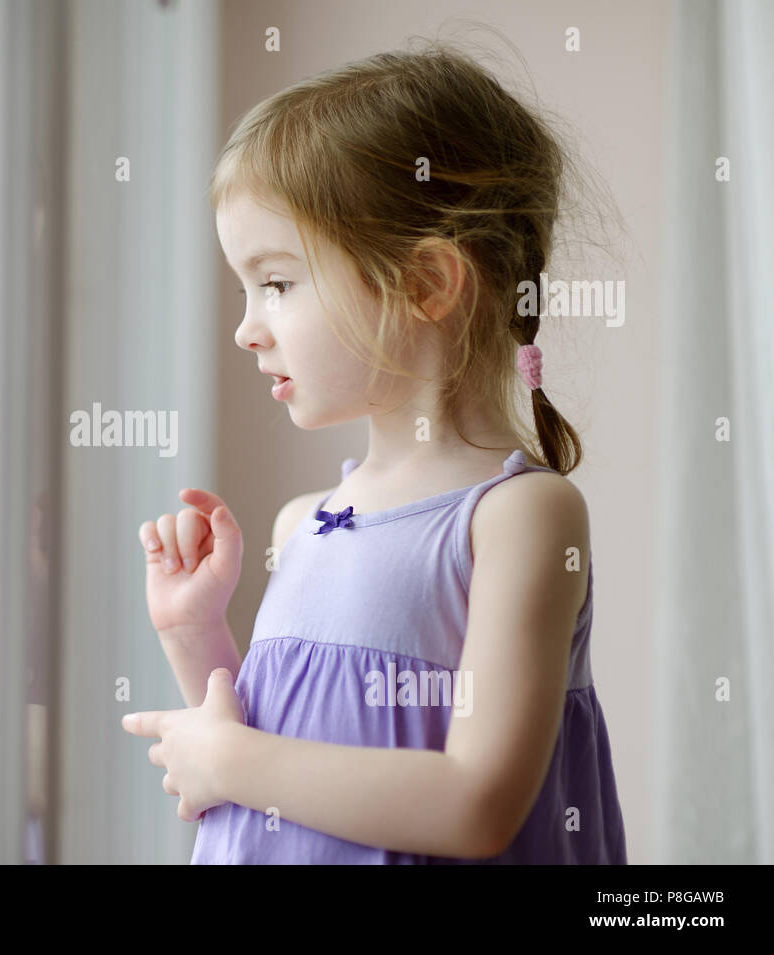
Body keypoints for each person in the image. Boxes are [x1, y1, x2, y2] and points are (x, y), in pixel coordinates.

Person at [124, 45, 627, 864]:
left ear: (427, 281)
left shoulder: (521, 517)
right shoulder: (305, 524)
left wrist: (231, 760)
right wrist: (195, 633)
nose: (248, 327)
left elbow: (475, 806)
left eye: (277, 283)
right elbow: (275, 772)